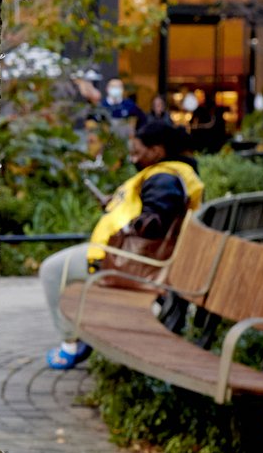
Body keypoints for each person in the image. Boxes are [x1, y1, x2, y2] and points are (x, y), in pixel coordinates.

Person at [40, 117, 202, 370]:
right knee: (60, 268)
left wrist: (129, 226)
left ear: (157, 151)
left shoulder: (164, 178)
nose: (133, 158)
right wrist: (115, 204)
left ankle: (70, 344)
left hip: (127, 261)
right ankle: (83, 334)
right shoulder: (172, 173)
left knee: (52, 270)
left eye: (137, 152)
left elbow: (156, 219)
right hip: (129, 256)